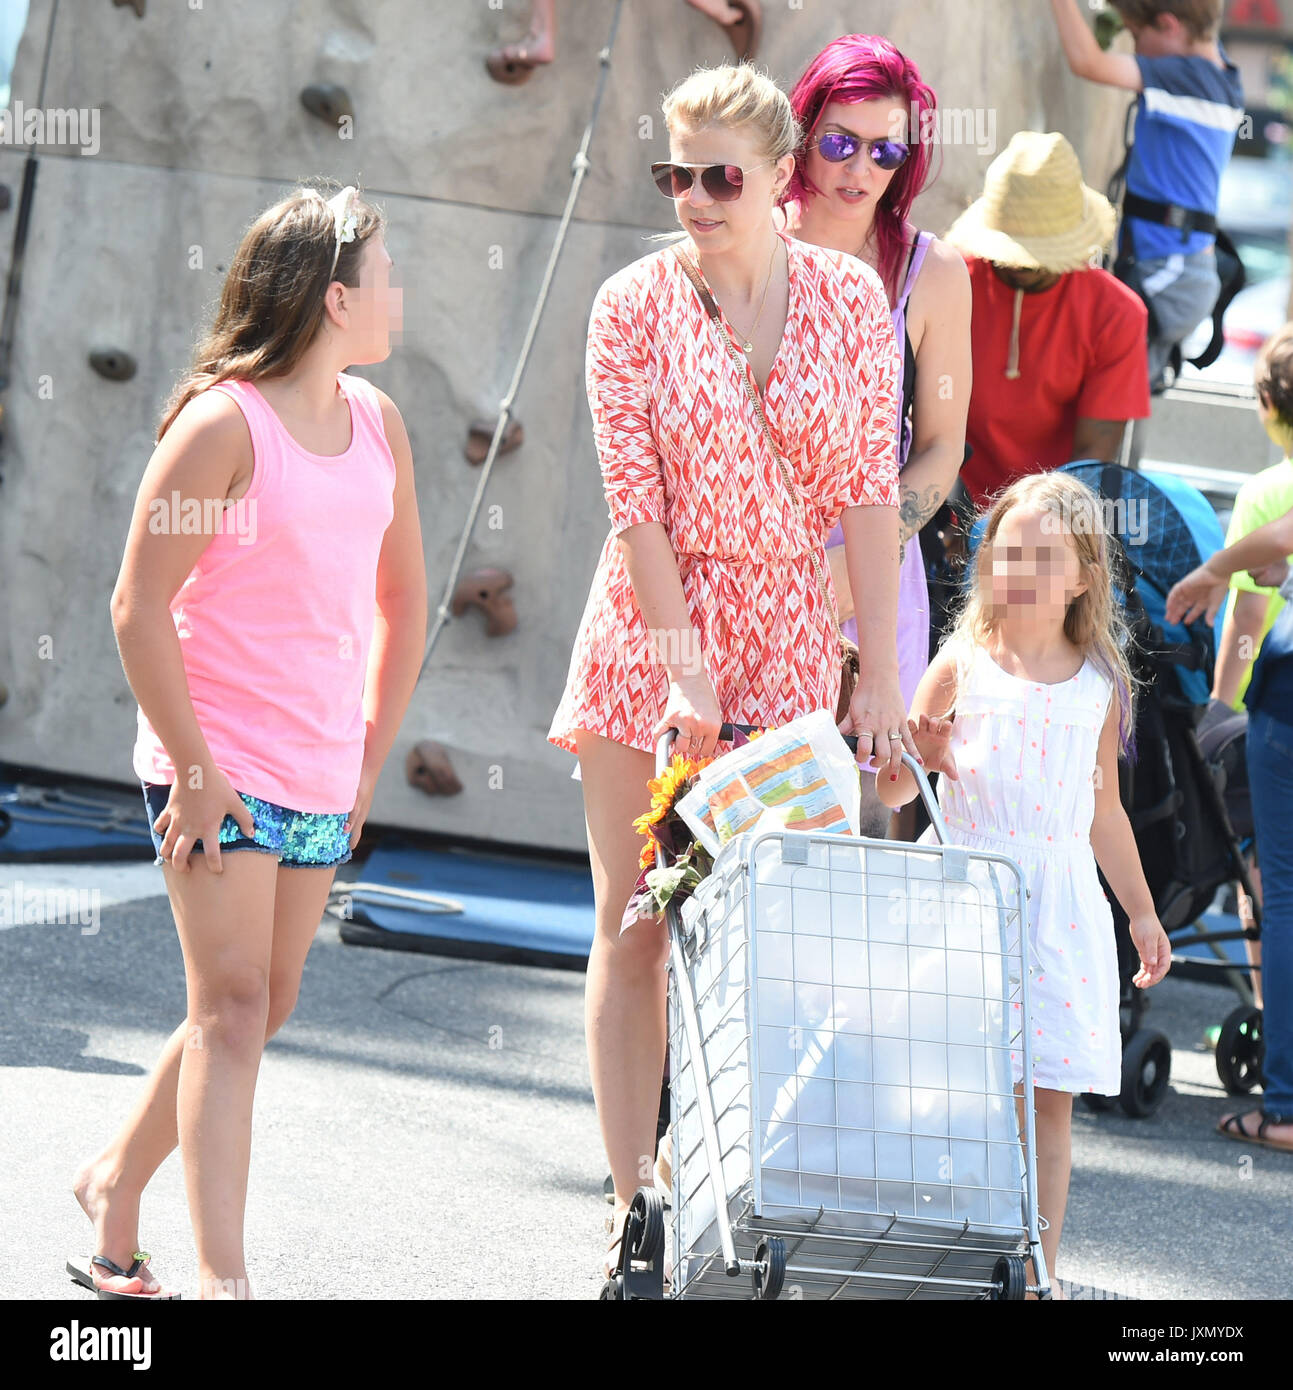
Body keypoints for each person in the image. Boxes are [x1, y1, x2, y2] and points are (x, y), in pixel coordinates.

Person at [546, 63, 914, 1276]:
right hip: (653, 623)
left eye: (720, 177)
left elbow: (867, 492)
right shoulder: (630, 304)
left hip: (794, 633)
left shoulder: (857, 304)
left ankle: (740, 1186)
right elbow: (633, 504)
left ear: (777, 179)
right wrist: (681, 671)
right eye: (676, 175)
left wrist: (881, 670)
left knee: (769, 934)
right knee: (636, 919)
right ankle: (630, 1197)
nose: (694, 198)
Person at [78, 185, 425, 1299]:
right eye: (384, 275)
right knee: (228, 1011)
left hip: (322, 766)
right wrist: (193, 767)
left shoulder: (381, 424)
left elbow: (404, 602)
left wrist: (369, 761)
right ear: (335, 297)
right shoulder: (223, 426)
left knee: (261, 1007)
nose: (398, 293)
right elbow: (138, 603)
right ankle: (225, 1282)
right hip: (213, 762)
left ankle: (111, 1186)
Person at [879, 470, 1171, 1293]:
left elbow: (1103, 812)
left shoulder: (1097, 686)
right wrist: (920, 758)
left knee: (1046, 1098)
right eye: (1007, 554)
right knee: (951, 1085)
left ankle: (1034, 1267)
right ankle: (939, 1249)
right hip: (965, 900)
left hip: (1060, 907)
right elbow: (896, 790)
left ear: (1082, 574)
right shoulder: (961, 663)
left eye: (1044, 557)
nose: (1021, 572)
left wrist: (1142, 915)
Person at [777, 33, 972, 832]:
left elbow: (939, 447)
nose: (860, 171)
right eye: (838, 143)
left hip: (872, 550)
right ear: (798, 133)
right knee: (714, 801)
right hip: (740, 542)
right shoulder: (749, 239)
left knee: (846, 815)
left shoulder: (932, 270)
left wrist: (859, 566)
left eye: (885, 151)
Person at [944, 131, 1150, 510]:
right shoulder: (948, 283)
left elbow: (1093, 459)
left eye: (1035, 257)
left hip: (1055, 516)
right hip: (948, 502)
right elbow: (917, 423)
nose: (1021, 265)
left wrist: (1025, 532)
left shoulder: (1116, 313)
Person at [1050, 0, 1244, 392]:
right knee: (1121, 399)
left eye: (1136, 35)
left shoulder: (1185, 79)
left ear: (1170, 25)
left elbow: (1087, 62)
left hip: (1165, 274)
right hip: (1180, 273)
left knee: (1105, 398)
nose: (1134, 47)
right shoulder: (1222, 75)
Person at [1213, 325, 1293, 712]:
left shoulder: (1263, 493)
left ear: (1268, 402)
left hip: (1268, 698)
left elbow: (1249, 616)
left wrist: (1220, 704)